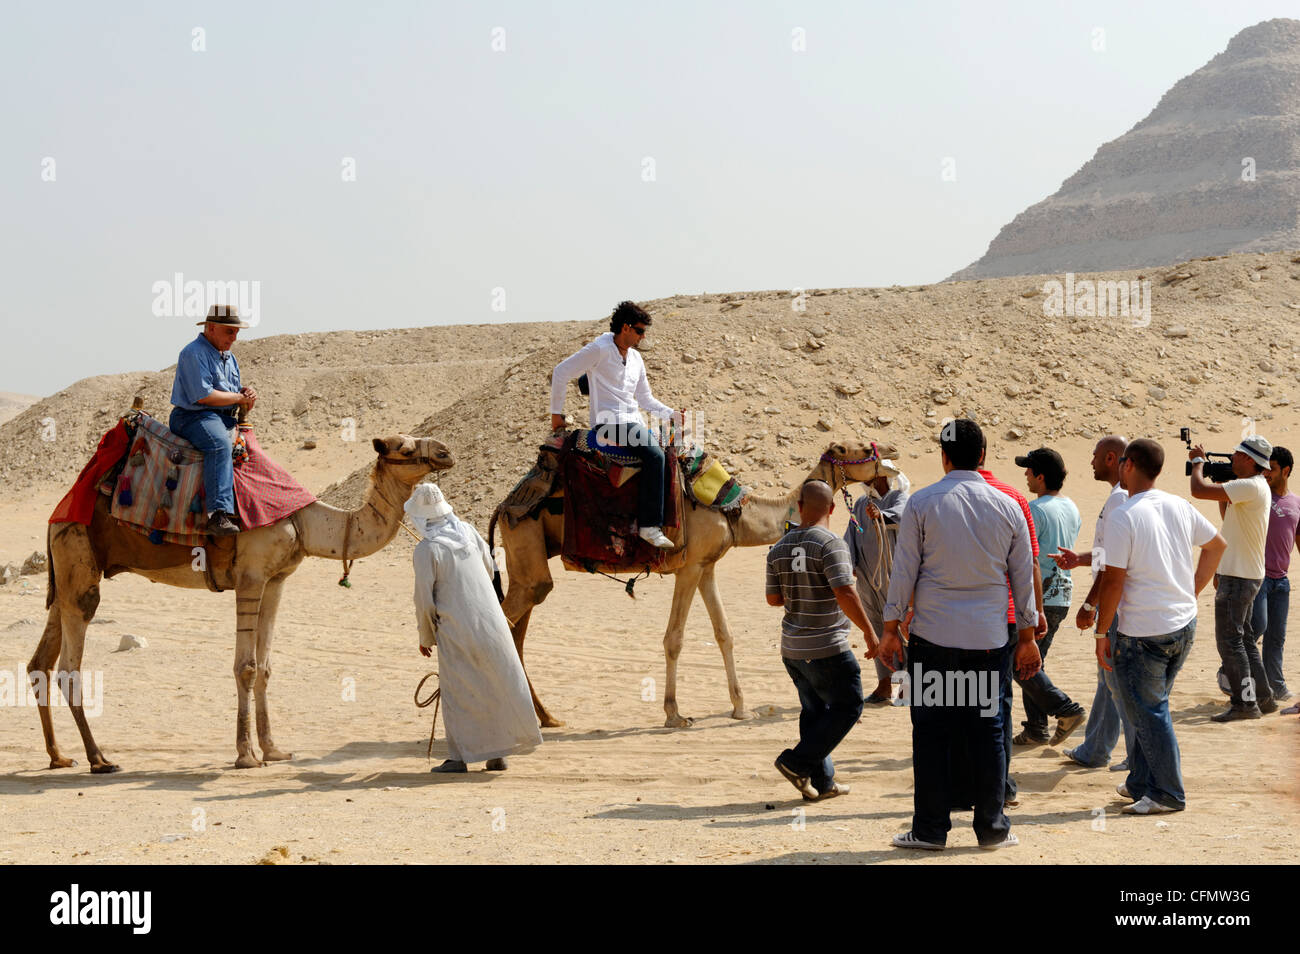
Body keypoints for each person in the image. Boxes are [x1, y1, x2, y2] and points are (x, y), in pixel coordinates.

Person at [881, 419, 1039, 850]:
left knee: (932, 733)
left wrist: (890, 628)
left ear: (944, 456)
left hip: (932, 639)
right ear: (984, 455)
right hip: (988, 640)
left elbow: (904, 571)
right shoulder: (1008, 504)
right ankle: (992, 830)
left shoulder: (922, 503)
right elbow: (1023, 577)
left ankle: (931, 831)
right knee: (988, 732)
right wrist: (1027, 637)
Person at [1094, 439, 1226, 814]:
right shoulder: (1177, 504)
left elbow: (1114, 580)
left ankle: (1167, 793)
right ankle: (1141, 781)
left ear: (1129, 464)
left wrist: (1103, 634)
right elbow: (1216, 545)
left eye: (1121, 461)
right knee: (1146, 708)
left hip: (1144, 632)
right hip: (1182, 625)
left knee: (1149, 712)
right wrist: (1191, 591)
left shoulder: (1125, 513)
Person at [408, 483, 542, 773]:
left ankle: (459, 758)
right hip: (492, 623)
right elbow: (489, 568)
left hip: (457, 629)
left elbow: (423, 599)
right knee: (492, 685)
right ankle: (497, 755)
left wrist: (426, 635)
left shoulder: (426, 550)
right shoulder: (467, 532)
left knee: (460, 692)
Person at [767, 480, 877, 801]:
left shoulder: (779, 547)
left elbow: (773, 599)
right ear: (831, 509)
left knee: (814, 712)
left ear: (799, 507)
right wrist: (870, 632)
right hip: (827, 646)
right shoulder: (831, 544)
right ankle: (795, 762)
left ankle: (823, 782)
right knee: (849, 706)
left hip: (793, 648)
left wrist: (799, 589)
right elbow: (845, 591)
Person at [549, 301, 682, 548]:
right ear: (625, 327)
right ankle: (649, 526)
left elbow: (644, 398)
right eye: (640, 331)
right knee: (655, 456)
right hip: (608, 422)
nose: (643, 337)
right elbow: (561, 372)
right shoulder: (599, 349)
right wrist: (556, 414)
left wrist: (670, 414)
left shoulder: (636, 359)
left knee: (672, 451)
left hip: (633, 421)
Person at [1054, 435, 1136, 771]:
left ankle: (1136, 756)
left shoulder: (1119, 499)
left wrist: (1090, 605)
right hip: (1116, 602)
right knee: (1109, 679)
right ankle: (1097, 749)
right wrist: (1079, 559)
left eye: (1095, 455)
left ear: (1111, 458)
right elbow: (1107, 554)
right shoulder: (1120, 497)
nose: (1090, 461)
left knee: (1119, 682)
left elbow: (1115, 563)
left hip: (1115, 604)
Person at [1189, 434, 1277, 721]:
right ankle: (1263, 697)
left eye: (1238, 454)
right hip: (1244, 573)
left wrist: (1198, 462)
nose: (1233, 457)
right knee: (1245, 639)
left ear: (1249, 460)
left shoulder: (1250, 486)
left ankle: (1244, 704)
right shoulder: (1255, 487)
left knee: (1230, 641)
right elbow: (1227, 512)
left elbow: (1198, 490)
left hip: (1239, 577)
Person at [977, 450, 1047, 807]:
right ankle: (1000, 788)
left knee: (956, 702)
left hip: (950, 622)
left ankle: (972, 786)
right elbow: (1029, 563)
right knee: (997, 704)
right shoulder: (1014, 497)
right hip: (1004, 620)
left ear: (945, 458)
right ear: (985, 455)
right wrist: (1032, 617)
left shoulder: (934, 498)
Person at [1012, 447, 1086, 746]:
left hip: (1039, 596)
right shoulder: (1071, 507)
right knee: (1034, 661)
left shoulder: (1035, 509)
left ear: (1040, 476)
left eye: (1029, 470)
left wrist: (1032, 605)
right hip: (1062, 594)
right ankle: (1035, 728)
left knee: (1022, 664)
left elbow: (1027, 557)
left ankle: (1065, 709)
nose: (1025, 475)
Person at [169, 304, 258, 536]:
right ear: (211, 327)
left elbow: (231, 391)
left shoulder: (230, 357)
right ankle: (217, 514)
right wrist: (238, 397)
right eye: (230, 331)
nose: (234, 337)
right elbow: (204, 395)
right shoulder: (193, 353)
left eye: (236, 332)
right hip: (193, 416)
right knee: (220, 444)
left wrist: (245, 394)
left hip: (223, 418)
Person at [844, 462, 911, 704]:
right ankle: (884, 686)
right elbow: (850, 535)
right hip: (866, 578)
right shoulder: (861, 504)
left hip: (894, 577)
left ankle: (905, 690)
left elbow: (902, 517)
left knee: (900, 631)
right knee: (876, 629)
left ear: (881, 477)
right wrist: (848, 562)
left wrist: (881, 515)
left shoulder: (899, 498)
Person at [1247, 446, 1299, 702]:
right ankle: (1232, 674)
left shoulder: (1296, 503)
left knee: (1276, 637)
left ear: (1285, 471)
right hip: (1258, 576)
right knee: (1257, 625)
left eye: (1272, 468)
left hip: (1282, 581)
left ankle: (1275, 687)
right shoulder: (1259, 496)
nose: (1266, 472)